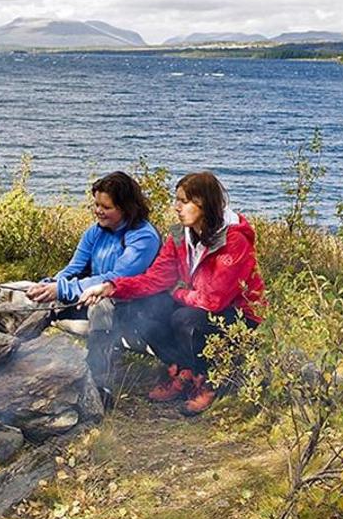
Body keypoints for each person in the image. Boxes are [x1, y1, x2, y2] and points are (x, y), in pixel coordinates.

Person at [79, 171, 265, 416]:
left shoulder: (234, 241)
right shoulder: (180, 235)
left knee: (183, 318)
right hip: (197, 303)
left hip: (240, 315)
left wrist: (177, 291)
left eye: (184, 201)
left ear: (204, 204)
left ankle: (209, 382)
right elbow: (155, 279)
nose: (176, 207)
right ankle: (183, 370)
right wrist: (111, 287)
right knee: (139, 310)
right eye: (176, 200)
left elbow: (213, 300)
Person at [26, 171, 160, 306]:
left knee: (100, 307)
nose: (98, 211)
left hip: (135, 305)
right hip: (97, 292)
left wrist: (63, 290)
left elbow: (117, 279)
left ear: (126, 209)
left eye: (106, 207)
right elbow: (75, 267)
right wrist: (50, 284)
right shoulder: (95, 231)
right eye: (97, 205)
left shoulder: (144, 237)